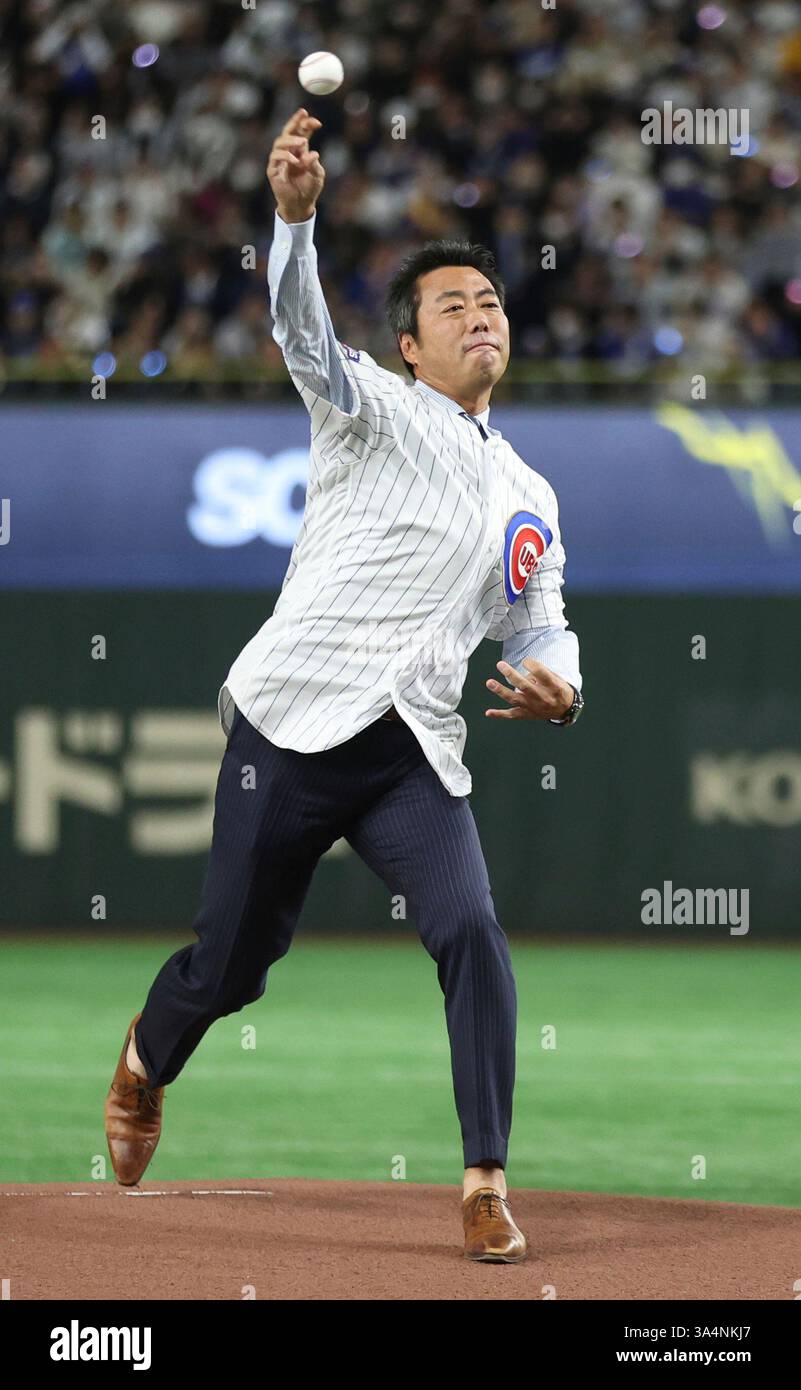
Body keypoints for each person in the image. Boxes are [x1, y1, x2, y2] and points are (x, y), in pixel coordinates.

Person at [104, 108, 584, 1264]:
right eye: (453, 306)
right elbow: (298, 327)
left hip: (409, 750)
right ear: (411, 346)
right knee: (234, 960)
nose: (482, 317)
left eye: (493, 303)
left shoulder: (532, 490)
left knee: (471, 928)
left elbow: (542, 618)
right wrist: (293, 220)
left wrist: (563, 685)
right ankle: (144, 1057)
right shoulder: (366, 409)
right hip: (293, 722)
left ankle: (483, 1180)